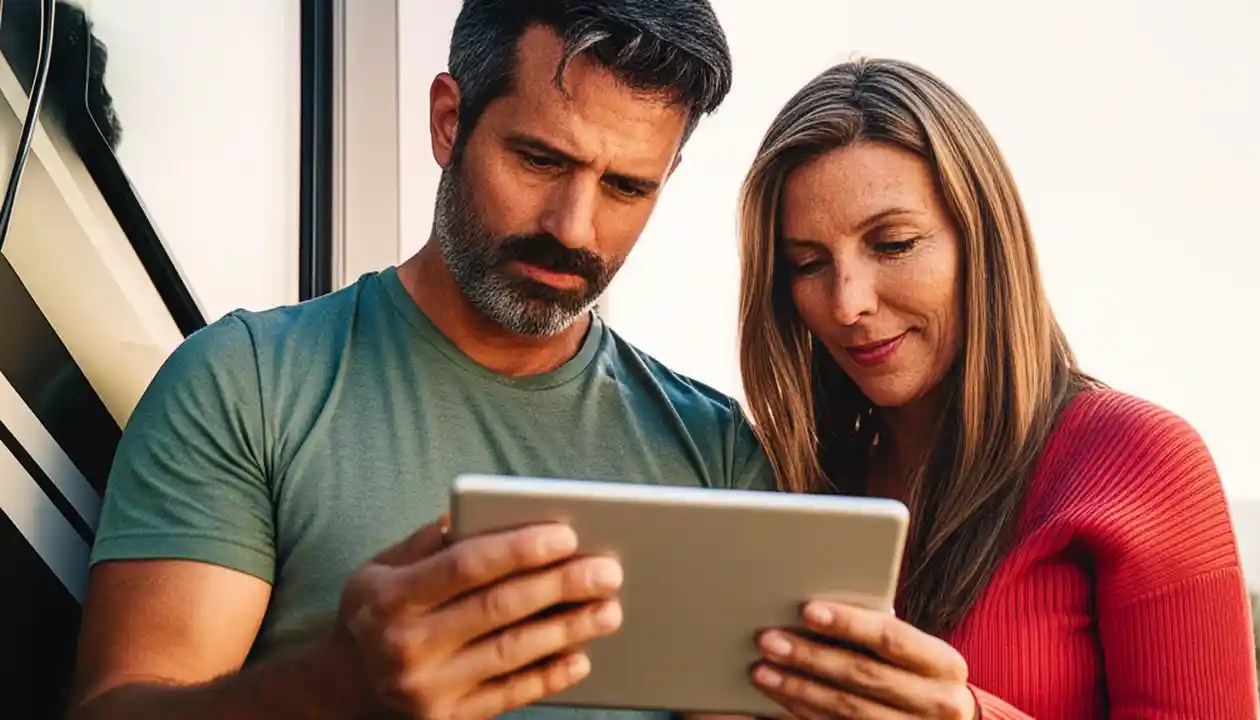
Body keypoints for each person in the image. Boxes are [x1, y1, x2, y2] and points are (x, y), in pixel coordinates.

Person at [66, 2, 773, 719]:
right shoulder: (248, 382)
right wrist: (336, 685)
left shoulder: (715, 454)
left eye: (627, 186)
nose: (574, 226)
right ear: (448, 121)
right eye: (539, 159)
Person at [734, 58, 1258, 719]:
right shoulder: (795, 486)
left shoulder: (1142, 461)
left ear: (982, 240)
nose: (847, 304)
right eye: (808, 264)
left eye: (893, 243)